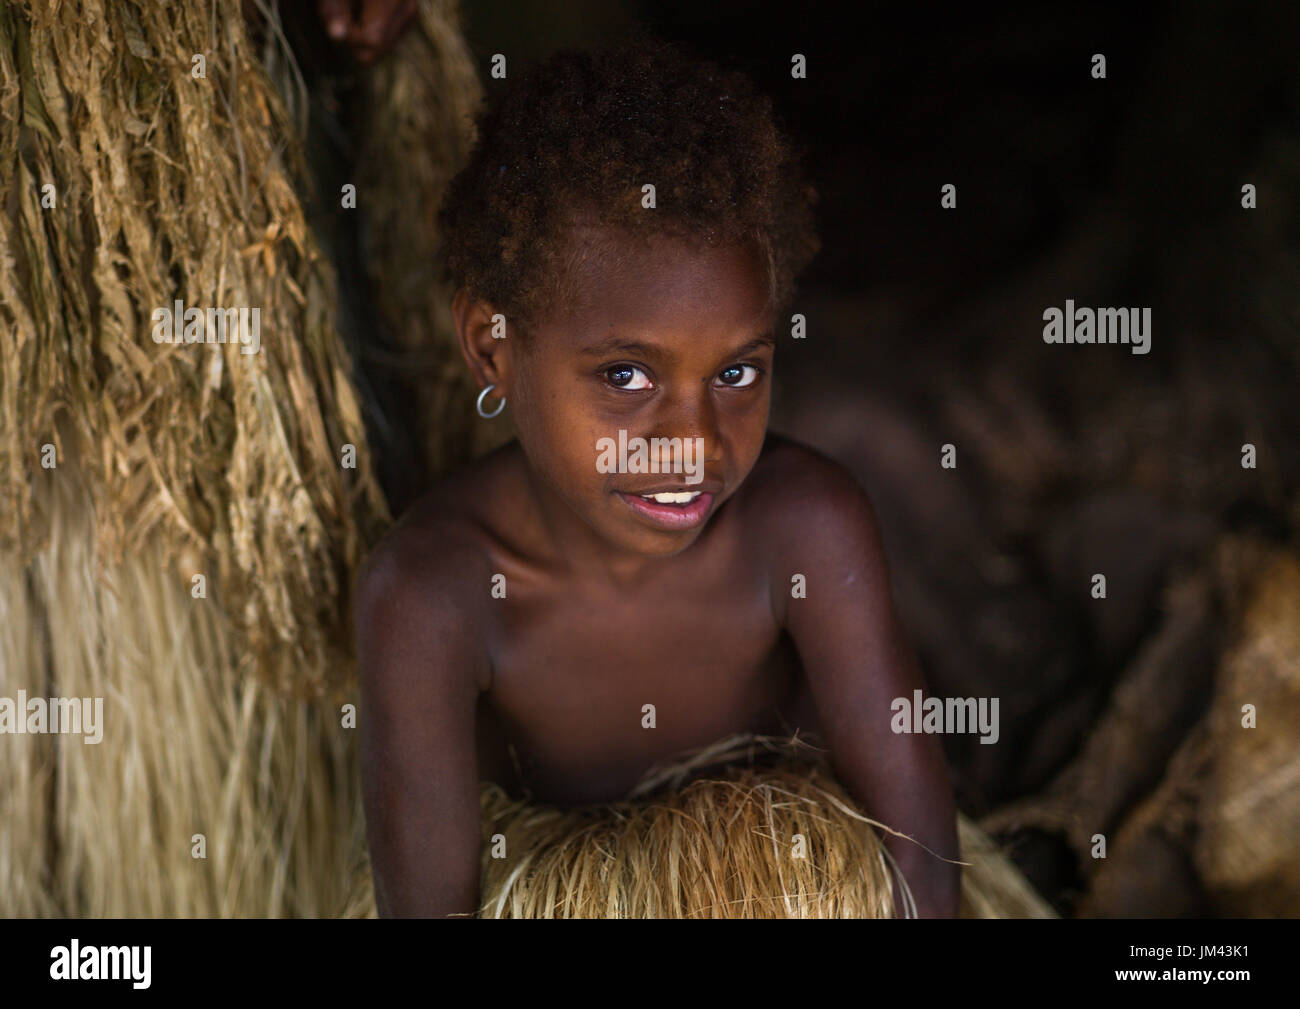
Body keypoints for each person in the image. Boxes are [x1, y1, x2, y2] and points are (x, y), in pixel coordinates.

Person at [355, 36, 960, 918]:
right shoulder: (430, 595)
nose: (694, 444)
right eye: (626, 377)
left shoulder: (805, 526)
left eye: (736, 373)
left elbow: (924, 875)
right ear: (493, 346)